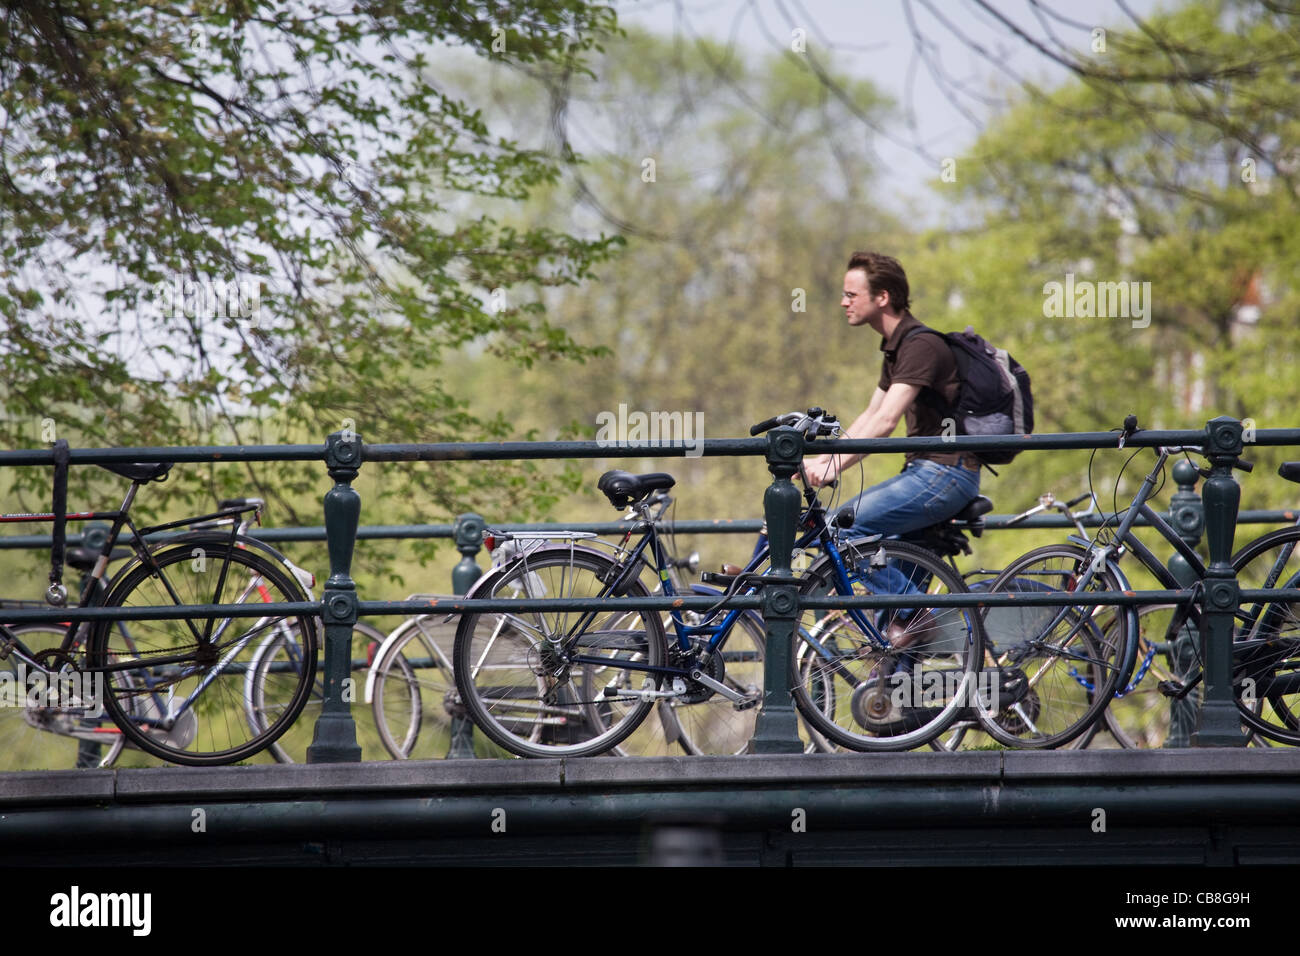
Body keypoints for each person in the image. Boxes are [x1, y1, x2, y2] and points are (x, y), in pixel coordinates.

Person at [803, 251, 981, 644]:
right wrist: (823, 459)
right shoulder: (896, 347)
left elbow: (885, 424)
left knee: (842, 530)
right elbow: (870, 415)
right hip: (927, 474)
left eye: (852, 294)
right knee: (889, 590)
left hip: (945, 473)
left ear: (882, 297)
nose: (843, 302)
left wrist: (833, 469)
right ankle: (904, 688)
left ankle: (923, 613)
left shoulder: (922, 346)